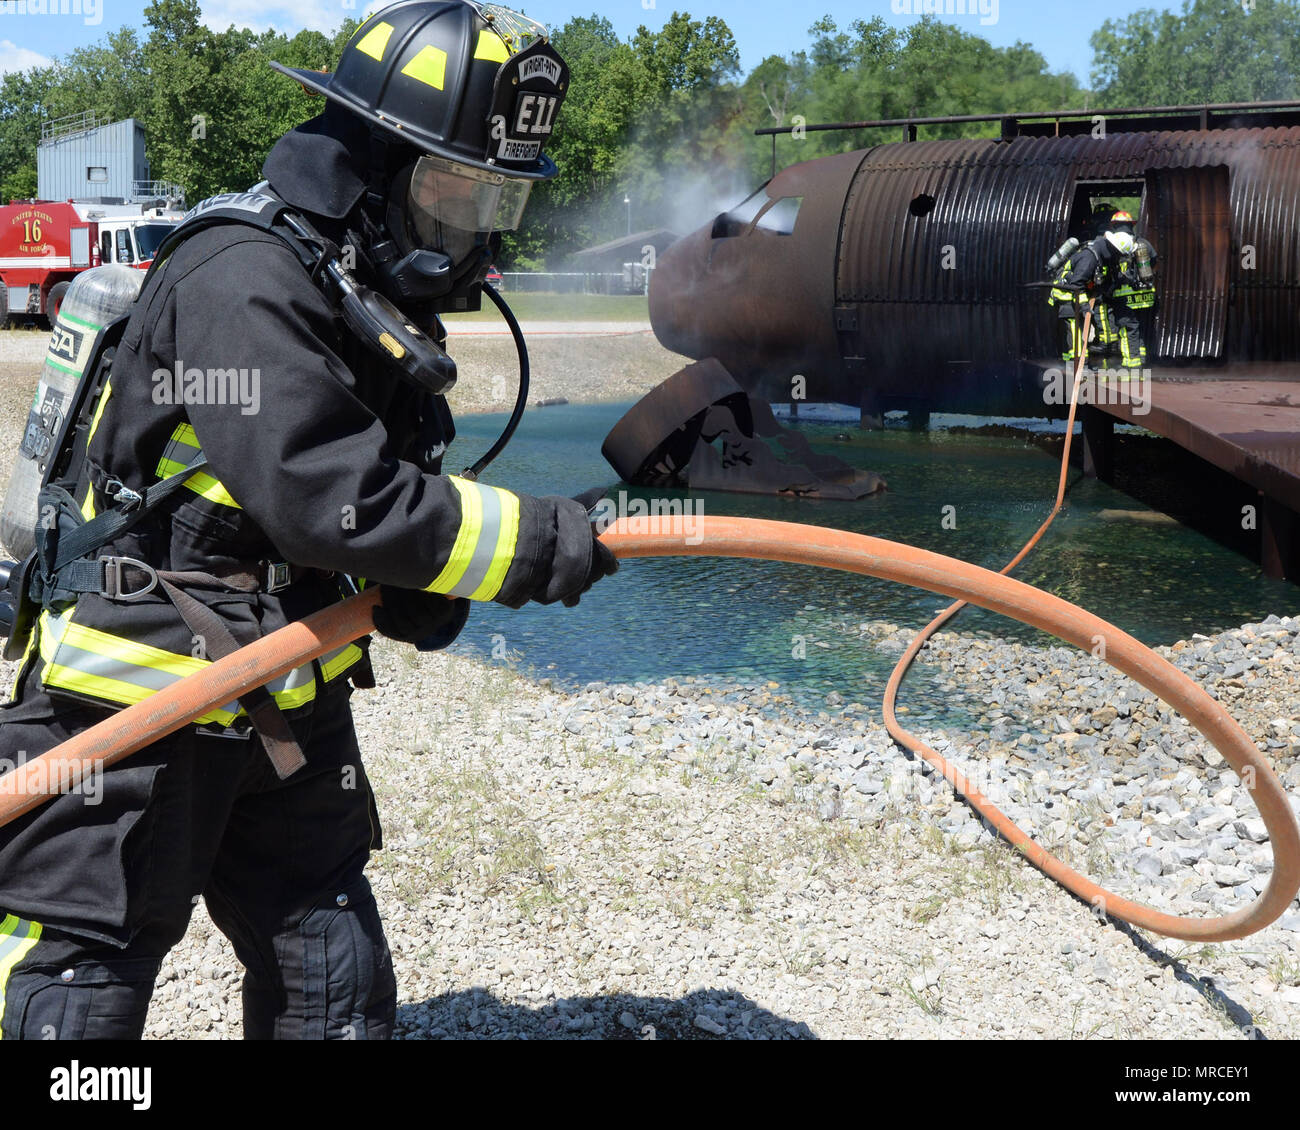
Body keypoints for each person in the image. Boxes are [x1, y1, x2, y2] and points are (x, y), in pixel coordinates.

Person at [0, 0, 616, 1040]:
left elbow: (369, 503)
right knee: (80, 993)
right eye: (455, 192)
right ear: (371, 162)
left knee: (332, 974)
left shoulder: (355, 286)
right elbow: (326, 495)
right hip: (132, 700)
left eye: (494, 200)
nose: (470, 234)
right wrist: (532, 541)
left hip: (282, 693)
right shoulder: (243, 276)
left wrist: (421, 585)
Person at [1047, 211, 1137, 369]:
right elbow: (1076, 285)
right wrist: (1084, 307)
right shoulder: (1089, 258)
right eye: (1118, 254)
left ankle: (1083, 363)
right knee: (1075, 331)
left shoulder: (1103, 255)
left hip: (1077, 293)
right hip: (1066, 294)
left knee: (1081, 328)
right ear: (1113, 249)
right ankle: (1077, 365)